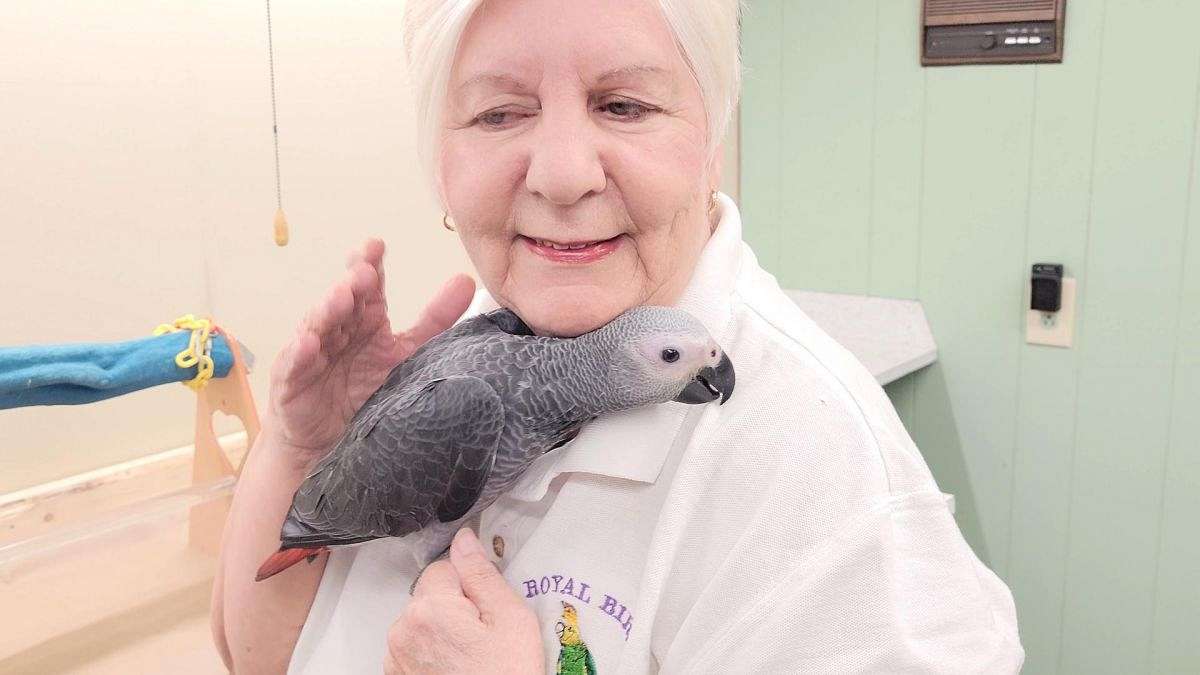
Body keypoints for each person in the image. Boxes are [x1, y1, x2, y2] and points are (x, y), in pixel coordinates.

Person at [212, 0, 1025, 672]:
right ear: (441, 166)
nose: (564, 174)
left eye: (624, 105)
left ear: (713, 146)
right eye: (499, 112)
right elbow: (256, 655)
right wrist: (299, 446)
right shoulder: (479, 337)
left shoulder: (826, 481)